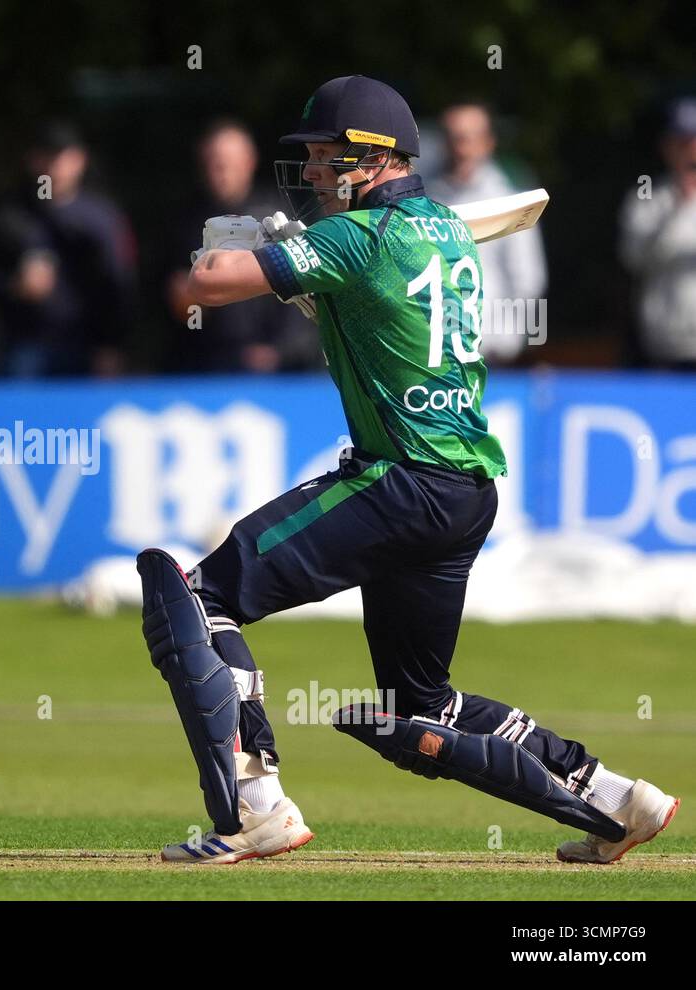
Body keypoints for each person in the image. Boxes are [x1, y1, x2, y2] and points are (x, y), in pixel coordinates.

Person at [138, 76, 679, 866]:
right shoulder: (444, 233)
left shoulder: (358, 239)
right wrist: (309, 278)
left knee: (200, 597)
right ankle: (616, 795)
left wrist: (243, 241)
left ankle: (256, 807)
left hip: (400, 479)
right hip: (465, 492)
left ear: (373, 157)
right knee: (421, 707)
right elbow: (373, 306)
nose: (316, 173)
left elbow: (207, 284)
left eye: (327, 158)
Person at [0, 122, 137, 377]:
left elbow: (120, 285)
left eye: (62, 157)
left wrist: (111, 345)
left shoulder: (102, 218)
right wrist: (13, 286)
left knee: (79, 417)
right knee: (21, 416)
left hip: (86, 347)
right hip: (22, 346)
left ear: (80, 160)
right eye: (46, 157)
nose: (53, 167)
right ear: (32, 160)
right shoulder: (5, 215)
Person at [164, 120, 320, 373]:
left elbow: (306, 283)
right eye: (212, 164)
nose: (220, 172)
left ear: (249, 162)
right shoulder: (188, 222)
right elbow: (183, 301)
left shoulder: (279, 216)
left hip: (279, 368)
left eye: (227, 164)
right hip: (207, 364)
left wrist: (279, 351)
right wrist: (188, 304)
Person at [429, 103, 546, 364]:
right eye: (452, 138)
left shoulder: (510, 199)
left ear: (487, 142)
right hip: (436, 352)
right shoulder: (428, 199)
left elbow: (527, 278)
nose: (460, 148)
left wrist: (506, 339)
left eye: (467, 138)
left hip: (492, 353)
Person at [618, 96, 696, 369]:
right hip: (666, 346)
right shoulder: (647, 198)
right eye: (682, 143)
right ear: (667, 148)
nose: (690, 151)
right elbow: (634, 259)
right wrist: (678, 207)